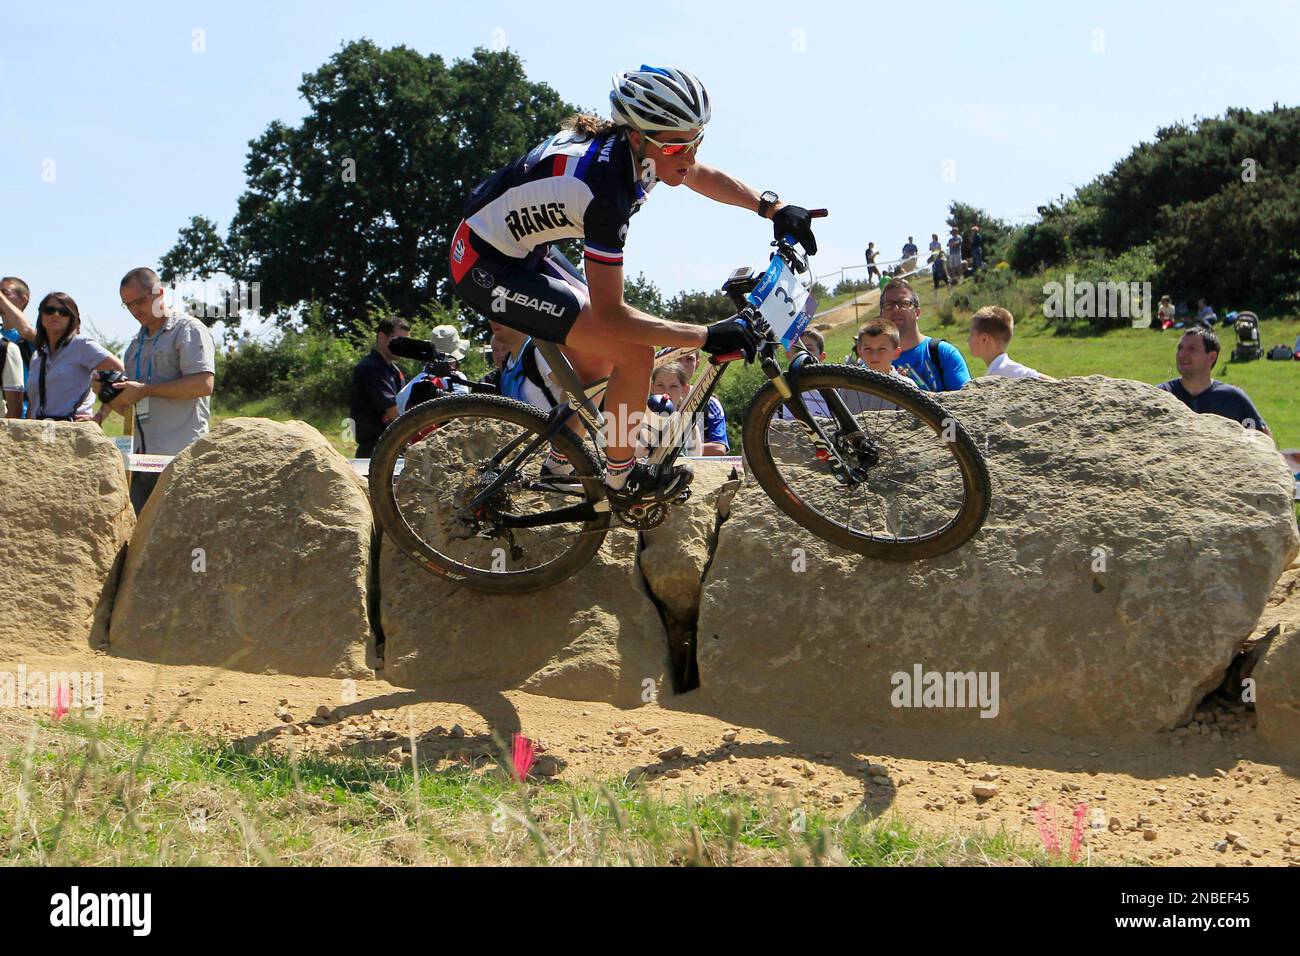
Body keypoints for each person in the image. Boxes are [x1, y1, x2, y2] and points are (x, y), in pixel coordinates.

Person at [447, 65, 819, 503]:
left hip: (521, 251)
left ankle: (561, 461)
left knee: (598, 370)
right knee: (633, 351)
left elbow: (695, 173)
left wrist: (771, 207)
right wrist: (705, 335)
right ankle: (622, 480)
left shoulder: (642, 150)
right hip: (483, 267)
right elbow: (613, 315)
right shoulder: (605, 191)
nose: (690, 153)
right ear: (639, 136)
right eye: (680, 144)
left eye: (698, 138)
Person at [105, 268, 216, 513]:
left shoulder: (188, 330)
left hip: (180, 457)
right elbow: (127, 406)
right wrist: (106, 392)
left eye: (140, 301)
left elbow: (203, 384)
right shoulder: (134, 345)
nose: (135, 310)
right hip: (142, 460)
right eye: (128, 305)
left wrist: (146, 390)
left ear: (159, 293)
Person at [25, 292, 124, 422]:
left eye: (63, 311)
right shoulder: (37, 356)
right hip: (39, 432)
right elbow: (33, 403)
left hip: (73, 430)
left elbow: (121, 372)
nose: (56, 314)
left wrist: (100, 415)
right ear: (41, 315)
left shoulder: (82, 345)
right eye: (49, 310)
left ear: (72, 317)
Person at [1158, 327, 1268, 435]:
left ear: (1212, 356)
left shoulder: (1232, 399)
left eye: (1191, 349)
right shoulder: (1161, 396)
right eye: (1180, 348)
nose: (1182, 354)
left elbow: (1260, 440)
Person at [881, 278, 970, 392]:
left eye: (904, 303)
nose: (896, 309)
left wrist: (910, 391)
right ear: (881, 314)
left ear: (917, 312)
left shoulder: (943, 353)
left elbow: (966, 401)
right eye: (889, 305)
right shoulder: (872, 359)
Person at [349, 317, 410, 457]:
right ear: (382, 337)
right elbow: (392, 411)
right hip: (376, 449)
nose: (403, 347)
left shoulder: (393, 370)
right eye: (398, 341)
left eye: (405, 342)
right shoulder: (371, 367)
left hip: (392, 445)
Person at [966, 306, 1052, 380]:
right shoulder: (1000, 368)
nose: (968, 339)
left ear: (984, 339)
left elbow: (1053, 383)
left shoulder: (1007, 370)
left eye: (971, 334)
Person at [674, 348, 729, 455]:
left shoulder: (710, 403)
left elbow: (719, 448)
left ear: (697, 364)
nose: (683, 364)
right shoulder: (651, 403)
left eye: (689, 359)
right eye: (678, 358)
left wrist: (678, 450)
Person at [642, 362, 703, 456]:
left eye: (673, 386)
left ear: (684, 389)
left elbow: (695, 465)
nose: (666, 392)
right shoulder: (637, 422)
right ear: (652, 387)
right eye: (660, 385)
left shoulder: (690, 428)